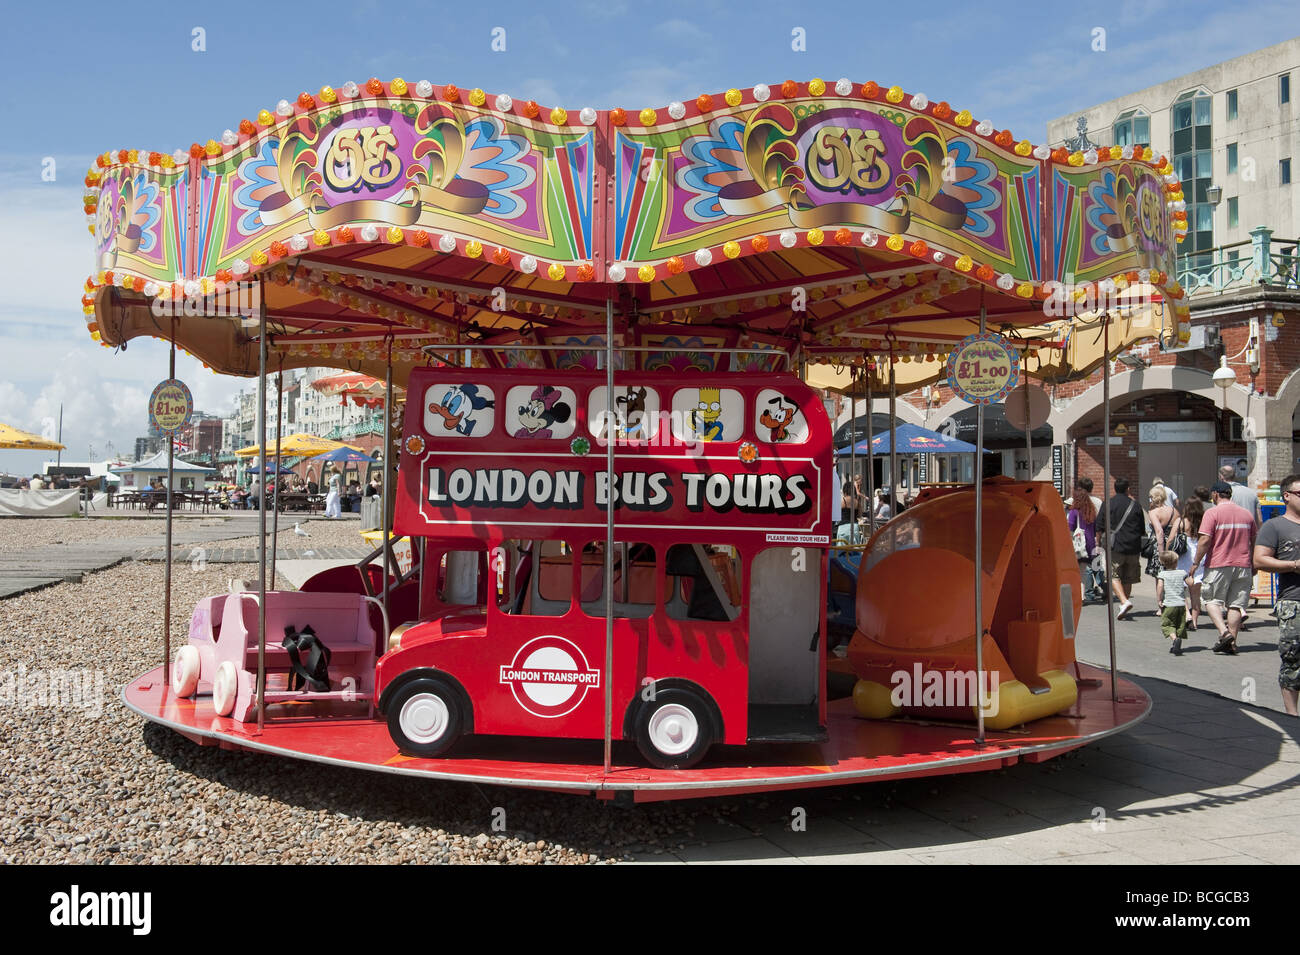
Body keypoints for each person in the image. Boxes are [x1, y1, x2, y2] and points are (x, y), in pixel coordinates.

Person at [1252, 473, 1300, 716]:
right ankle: (1292, 716)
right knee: (1293, 660)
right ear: (1287, 496)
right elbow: (1259, 560)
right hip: (1294, 602)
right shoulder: (1275, 526)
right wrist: (1293, 565)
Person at [1192, 481, 1257, 654]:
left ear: (1214, 494)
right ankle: (1232, 643)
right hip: (1243, 564)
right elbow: (1254, 541)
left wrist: (1196, 563)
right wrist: (1253, 562)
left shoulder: (1212, 513)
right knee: (1236, 604)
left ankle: (1224, 632)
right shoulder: (1246, 515)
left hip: (1218, 564)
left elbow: (1204, 541)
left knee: (1211, 600)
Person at [1095, 477, 1145, 619]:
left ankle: (1123, 601)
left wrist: (1098, 544)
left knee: (1113, 575)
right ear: (1128, 489)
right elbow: (1142, 528)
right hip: (1133, 546)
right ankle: (1124, 604)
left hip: (1115, 546)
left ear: (1115, 489)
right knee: (1128, 577)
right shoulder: (1135, 505)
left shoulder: (1107, 504)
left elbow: (1099, 526)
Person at [1067, 481, 1103, 602]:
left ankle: (1077, 596)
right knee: (1082, 572)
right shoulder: (1092, 511)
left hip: (1076, 545)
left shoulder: (1074, 511)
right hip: (1088, 546)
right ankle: (1081, 596)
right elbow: (1095, 528)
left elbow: (1070, 527)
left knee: (1074, 573)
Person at [1176, 493, 1207, 629]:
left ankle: (1186, 614)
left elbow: (1171, 539)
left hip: (1184, 556)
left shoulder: (1181, 522)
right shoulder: (1204, 522)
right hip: (1198, 556)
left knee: (1179, 590)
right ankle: (1194, 622)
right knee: (1195, 594)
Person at [1156, 549, 1190, 655]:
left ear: (1163, 563)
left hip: (1169, 604)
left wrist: (1159, 599)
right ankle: (1177, 643)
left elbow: (1160, 587)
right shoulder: (1182, 573)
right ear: (1176, 562)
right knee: (1180, 624)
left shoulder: (1162, 574)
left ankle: (1175, 640)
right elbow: (1190, 583)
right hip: (1181, 604)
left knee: (1167, 624)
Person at [1145, 486, 1178, 579]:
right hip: (1173, 545)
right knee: (1172, 575)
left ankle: (1160, 594)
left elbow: (1159, 532)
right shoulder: (1174, 511)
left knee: (1160, 577)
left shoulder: (1154, 512)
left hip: (1160, 545)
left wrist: (1161, 553)